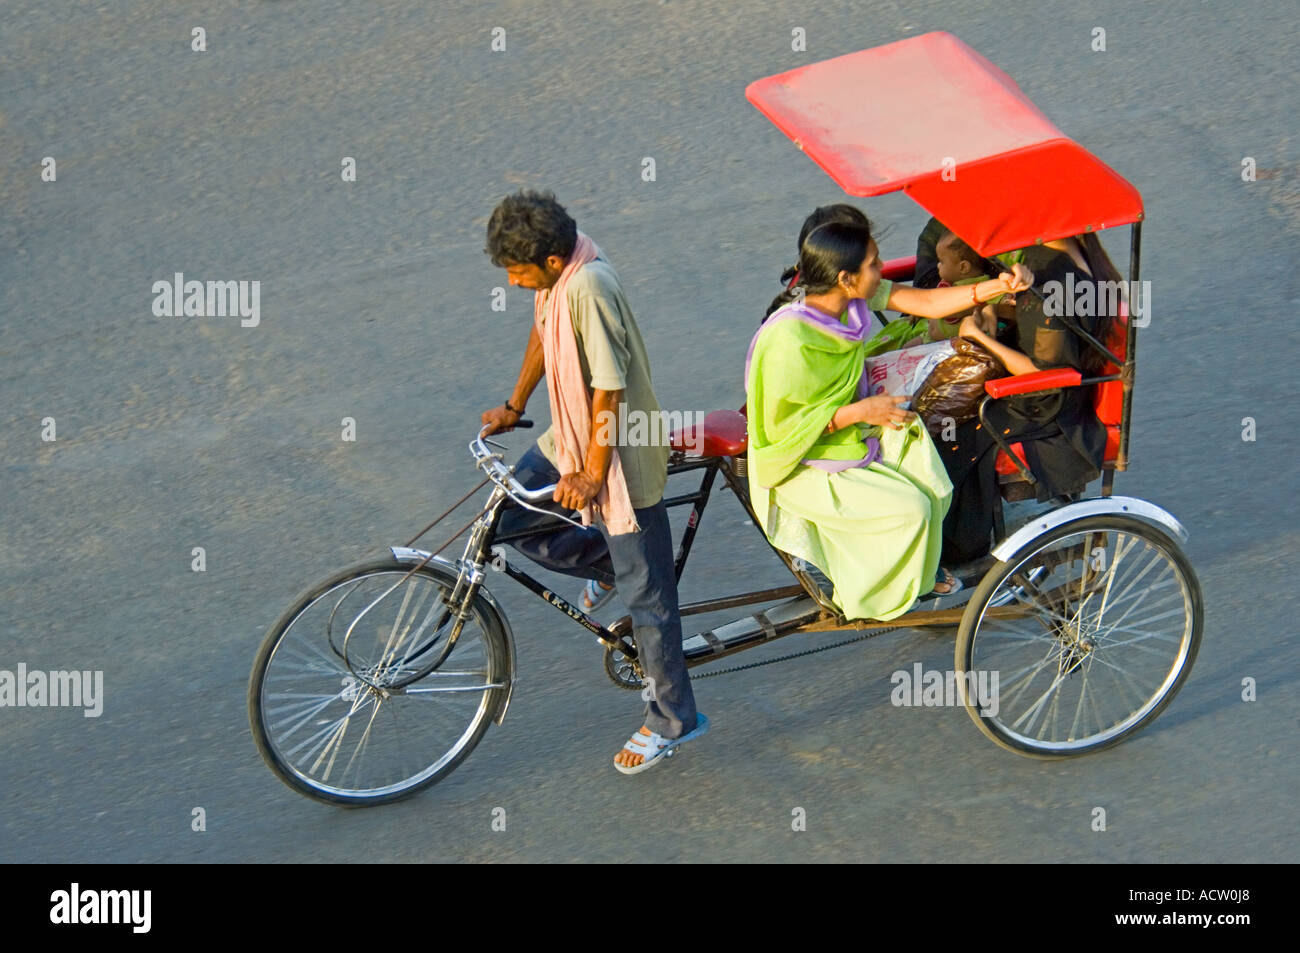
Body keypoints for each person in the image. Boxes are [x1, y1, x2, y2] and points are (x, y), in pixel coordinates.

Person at [479, 190, 707, 774]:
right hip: (571, 434)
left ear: (553, 261)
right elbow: (540, 335)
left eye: (519, 272)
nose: (513, 284)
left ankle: (673, 718)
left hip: (619, 450)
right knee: (509, 518)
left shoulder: (590, 286)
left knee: (649, 598)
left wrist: (591, 475)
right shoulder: (560, 278)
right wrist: (513, 404)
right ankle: (608, 564)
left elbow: (608, 388)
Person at [746, 218, 1032, 617]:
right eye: (874, 265)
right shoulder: (790, 342)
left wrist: (1001, 285)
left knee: (932, 478)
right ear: (846, 278)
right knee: (910, 509)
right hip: (803, 461)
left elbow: (927, 303)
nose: (883, 271)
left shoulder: (847, 298)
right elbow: (784, 432)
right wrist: (859, 412)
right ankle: (864, 598)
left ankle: (920, 574)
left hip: (848, 432)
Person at [936, 232, 1123, 564]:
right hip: (1052, 387)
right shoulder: (1059, 254)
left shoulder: (1057, 277)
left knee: (948, 435)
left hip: (1048, 405)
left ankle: (956, 551)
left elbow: (1043, 372)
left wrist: (980, 337)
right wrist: (996, 311)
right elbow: (1036, 315)